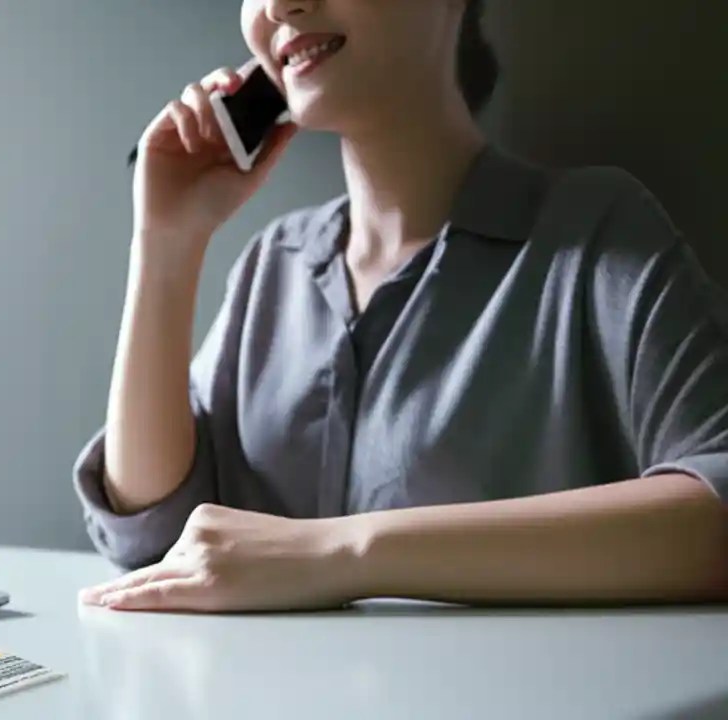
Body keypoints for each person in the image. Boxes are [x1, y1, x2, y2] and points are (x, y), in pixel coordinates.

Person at [75, 0, 728, 612]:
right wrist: (165, 246)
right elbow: (150, 537)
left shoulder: (593, 237)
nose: (279, 5)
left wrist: (346, 553)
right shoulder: (273, 268)